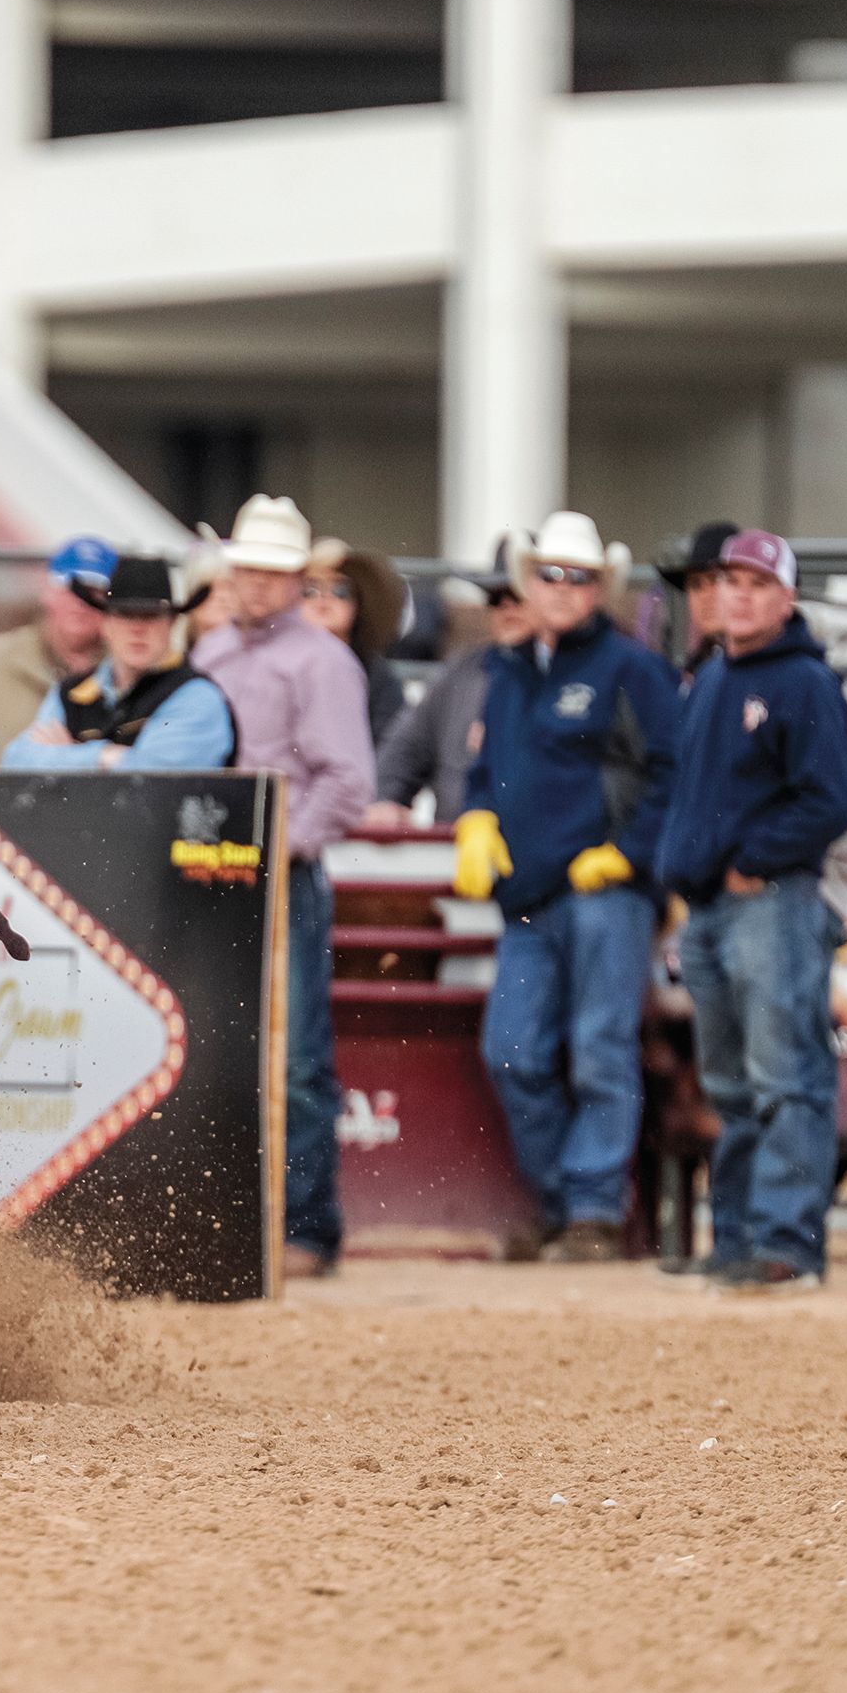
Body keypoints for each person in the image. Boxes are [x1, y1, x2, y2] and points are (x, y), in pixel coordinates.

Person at [454, 510, 681, 1262]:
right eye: (549, 574)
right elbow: (485, 770)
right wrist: (477, 818)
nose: (561, 587)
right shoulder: (509, 672)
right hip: (530, 896)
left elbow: (672, 773)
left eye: (578, 577)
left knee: (598, 1050)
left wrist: (627, 853)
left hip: (604, 893)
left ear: (598, 589)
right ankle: (565, 1201)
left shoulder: (632, 670)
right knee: (511, 1051)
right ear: (530, 582)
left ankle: (592, 1209)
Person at [656, 531, 847, 1295]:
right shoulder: (714, 675)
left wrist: (754, 860)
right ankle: (740, 1239)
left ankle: (786, 1244)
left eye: (757, 584)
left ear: (787, 599)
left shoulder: (804, 682)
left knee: (783, 1075)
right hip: (715, 905)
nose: (739, 596)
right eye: (729, 582)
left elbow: (830, 799)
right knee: (734, 1085)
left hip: (772, 902)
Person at [189, 495, 374, 1278]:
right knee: (218, 1050)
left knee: (295, 1057)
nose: (257, 582)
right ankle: (241, 1221)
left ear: (297, 579)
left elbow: (349, 781)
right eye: (248, 569)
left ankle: (306, 1225)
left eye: (271, 571)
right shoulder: (211, 652)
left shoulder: (321, 661)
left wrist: (281, 845)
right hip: (212, 873)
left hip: (281, 876)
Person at [0, 556, 232, 772]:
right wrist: (104, 756)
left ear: (171, 623)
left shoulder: (197, 696)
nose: (137, 629)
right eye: (125, 614)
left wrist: (68, 754)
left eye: (151, 615)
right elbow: (16, 760)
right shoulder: (70, 692)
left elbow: (155, 774)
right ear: (105, 623)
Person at [368, 545, 534, 826]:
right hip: (458, 841)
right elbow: (405, 749)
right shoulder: (460, 673)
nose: (508, 608)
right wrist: (384, 801)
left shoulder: (570, 674)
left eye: (518, 595)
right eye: (497, 598)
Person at [0, 535, 116, 762]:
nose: (81, 603)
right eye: (70, 588)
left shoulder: (128, 673)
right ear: (47, 591)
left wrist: (71, 757)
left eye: (96, 592)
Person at [303, 537, 407, 742]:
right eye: (310, 590)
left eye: (340, 590)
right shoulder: (278, 663)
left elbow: (387, 748)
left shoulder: (377, 677)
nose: (323, 601)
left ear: (359, 601)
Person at [656, 520, 738, 675]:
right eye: (695, 585)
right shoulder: (692, 674)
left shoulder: (770, 667)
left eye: (715, 580)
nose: (705, 595)